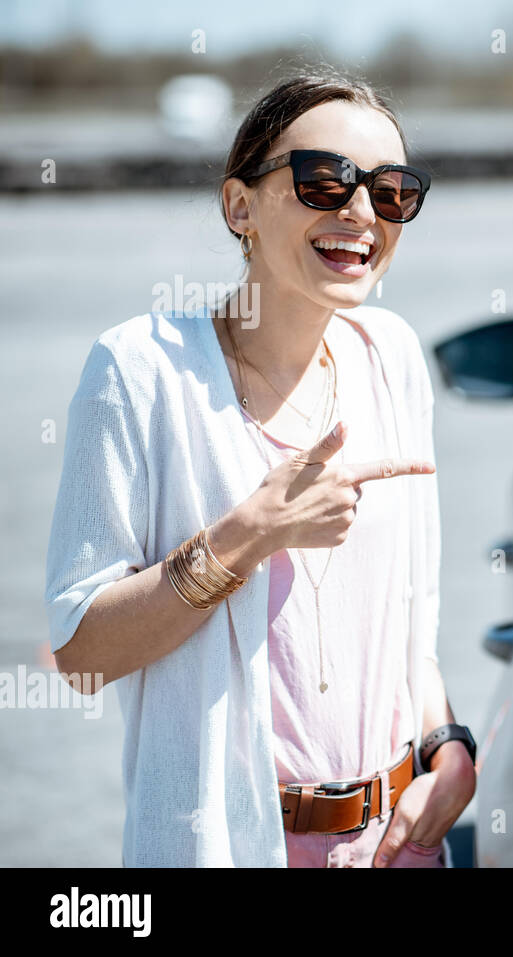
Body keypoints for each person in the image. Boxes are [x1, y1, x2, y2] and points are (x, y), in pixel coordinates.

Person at [43, 68, 476, 867]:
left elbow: (414, 620)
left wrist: (448, 748)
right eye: (323, 180)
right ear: (239, 205)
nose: (359, 212)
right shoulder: (140, 371)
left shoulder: (395, 360)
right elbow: (78, 656)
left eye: (392, 192)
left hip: (397, 844)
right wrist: (246, 536)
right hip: (224, 846)